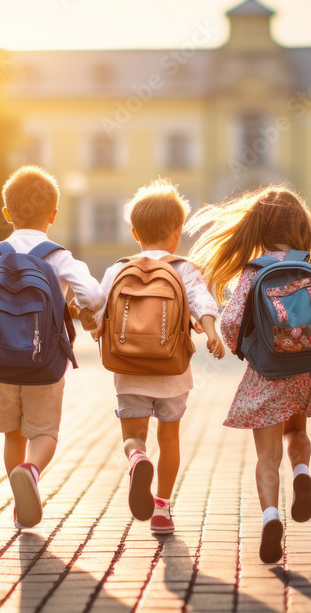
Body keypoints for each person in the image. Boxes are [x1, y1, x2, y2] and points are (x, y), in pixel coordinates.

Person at [185, 186, 311, 563]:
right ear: (301, 227)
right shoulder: (308, 267)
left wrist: (246, 348)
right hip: (308, 372)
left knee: (266, 456)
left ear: (258, 229)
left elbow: (231, 322)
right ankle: (302, 472)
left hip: (267, 373)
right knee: (297, 433)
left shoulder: (255, 271)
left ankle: (271, 518)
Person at [0, 166, 105, 530]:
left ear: (7, 213)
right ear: (53, 215)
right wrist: (77, 304)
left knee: (13, 434)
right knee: (45, 433)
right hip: (45, 362)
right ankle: (31, 471)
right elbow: (94, 295)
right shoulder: (58, 256)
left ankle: (20, 505)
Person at [94, 179, 225, 534]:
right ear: (178, 232)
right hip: (172, 373)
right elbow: (201, 301)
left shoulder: (117, 269)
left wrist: (92, 326)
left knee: (133, 436)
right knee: (169, 439)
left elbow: (97, 310)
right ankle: (162, 509)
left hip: (128, 370)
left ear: (135, 232)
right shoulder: (183, 268)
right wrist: (211, 331)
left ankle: (137, 457)